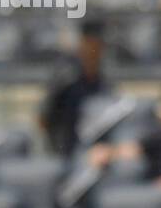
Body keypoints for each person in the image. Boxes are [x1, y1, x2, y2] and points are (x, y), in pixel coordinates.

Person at [39, 22, 110, 157]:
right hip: (65, 149)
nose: (94, 51)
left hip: (89, 150)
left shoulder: (101, 81)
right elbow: (43, 117)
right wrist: (54, 145)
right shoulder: (66, 77)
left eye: (98, 47)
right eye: (90, 45)